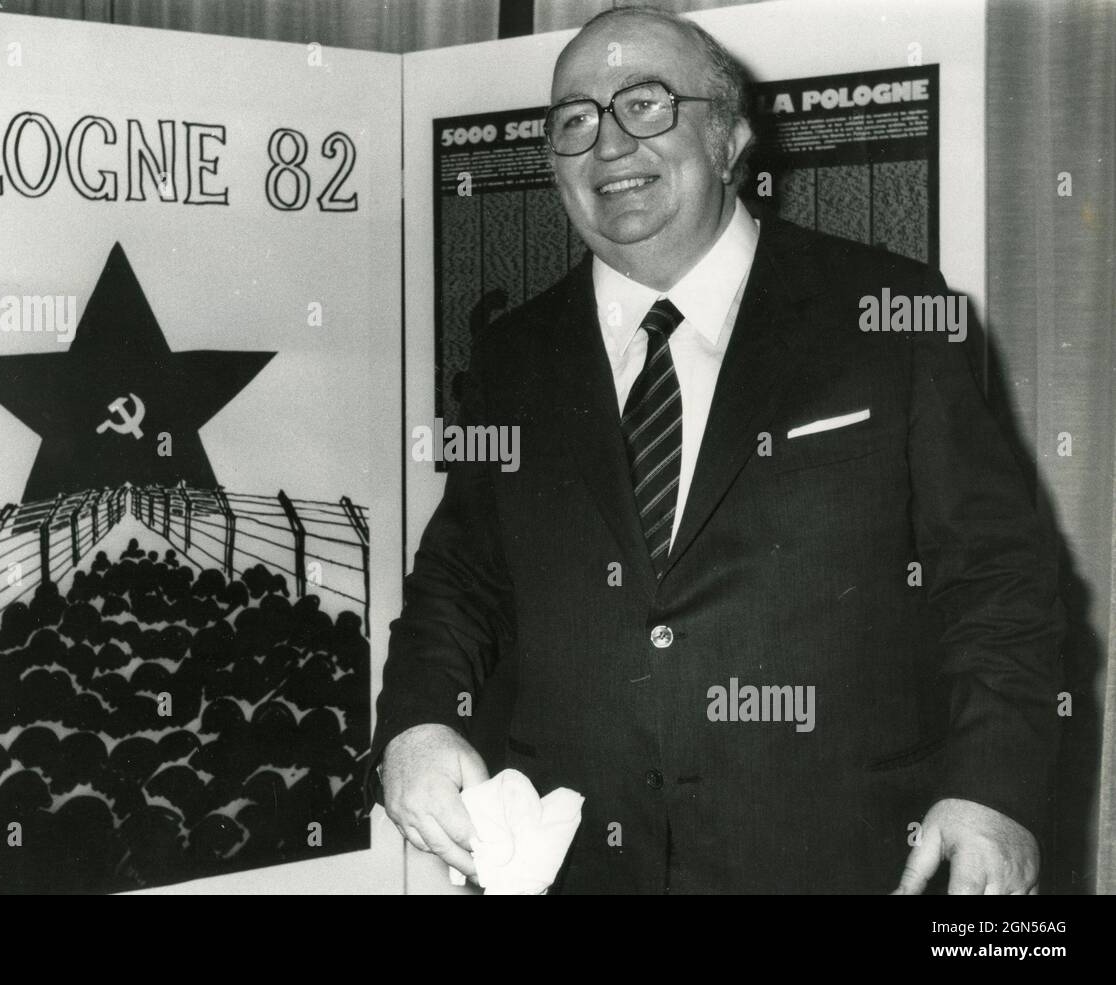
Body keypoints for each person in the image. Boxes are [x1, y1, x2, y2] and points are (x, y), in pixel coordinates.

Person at [370, 7, 1063, 893]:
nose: (607, 144)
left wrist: (996, 791)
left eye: (646, 104)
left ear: (731, 138)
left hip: (847, 861)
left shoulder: (893, 313)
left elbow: (999, 579)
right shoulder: (514, 357)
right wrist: (416, 723)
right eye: (574, 119)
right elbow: (459, 581)